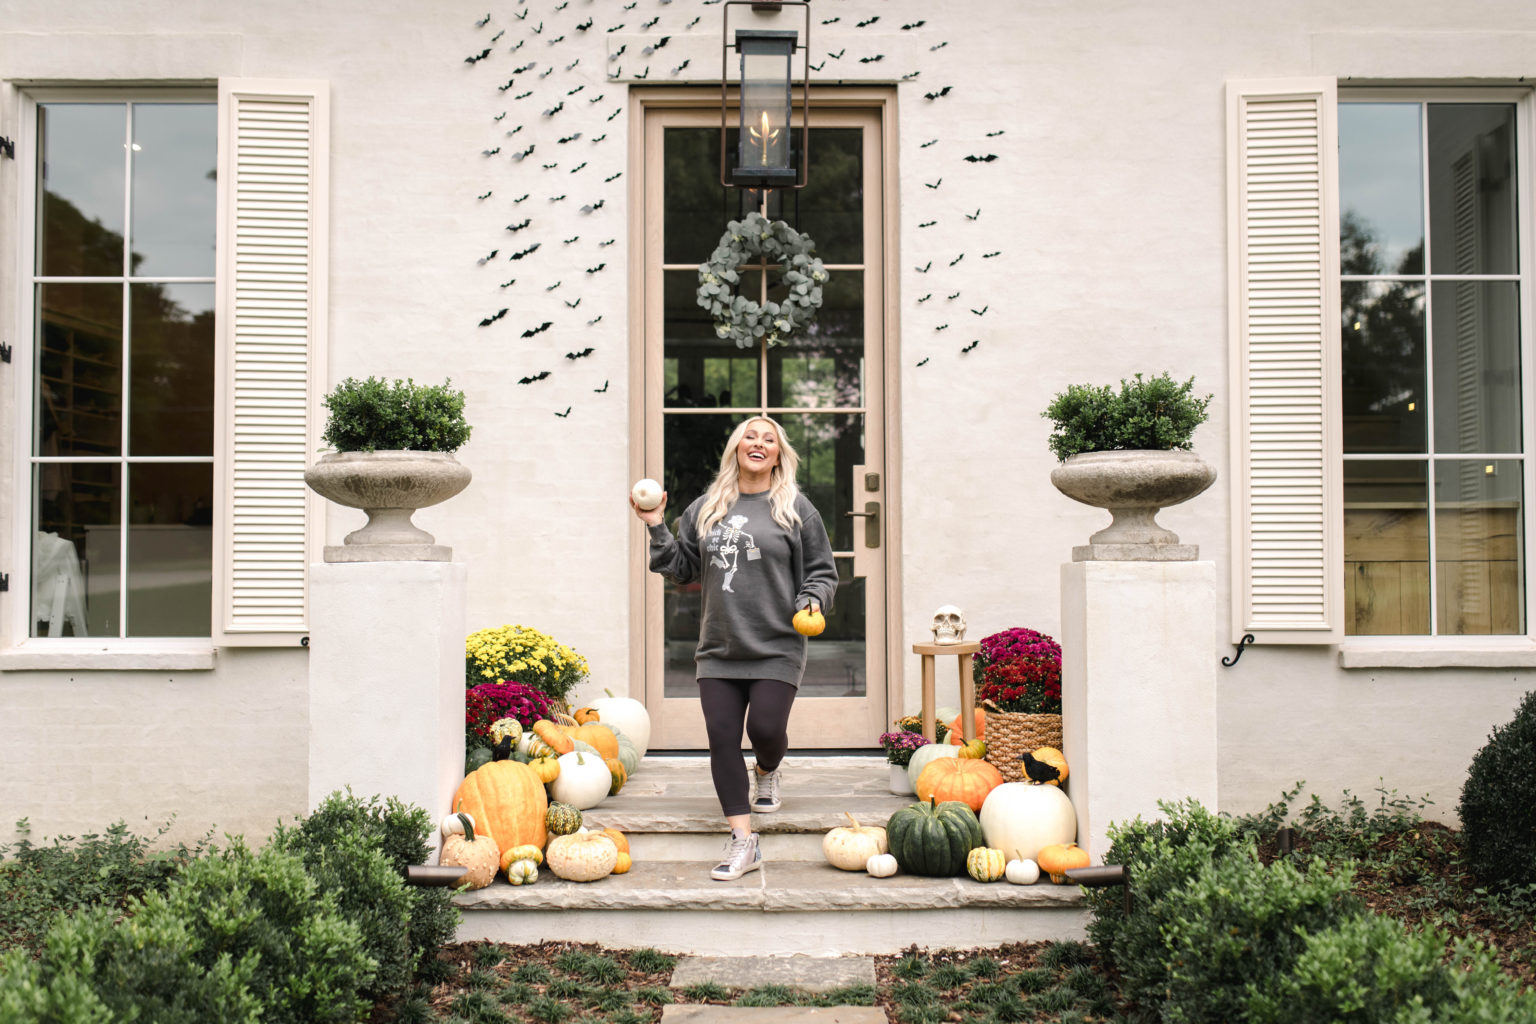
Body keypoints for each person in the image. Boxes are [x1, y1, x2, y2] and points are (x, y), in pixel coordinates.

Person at [632, 416, 837, 880]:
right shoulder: (707, 506)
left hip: (776, 643)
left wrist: (811, 598)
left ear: (779, 455)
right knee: (722, 737)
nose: (759, 443)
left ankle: (768, 769)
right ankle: (744, 841)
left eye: (769, 439)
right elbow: (682, 568)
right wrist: (656, 526)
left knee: (766, 728)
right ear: (737, 448)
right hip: (720, 646)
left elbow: (823, 571)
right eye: (751, 436)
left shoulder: (795, 508)